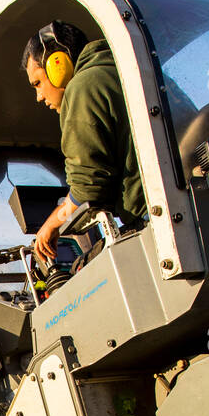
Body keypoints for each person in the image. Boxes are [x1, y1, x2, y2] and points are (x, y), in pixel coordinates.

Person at [21, 20, 145, 260]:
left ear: (58, 65)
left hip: (151, 220)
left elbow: (88, 186)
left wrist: (52, 224)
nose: (38, 96)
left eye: (37, 83)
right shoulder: (126, 70)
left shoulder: (83, 86)